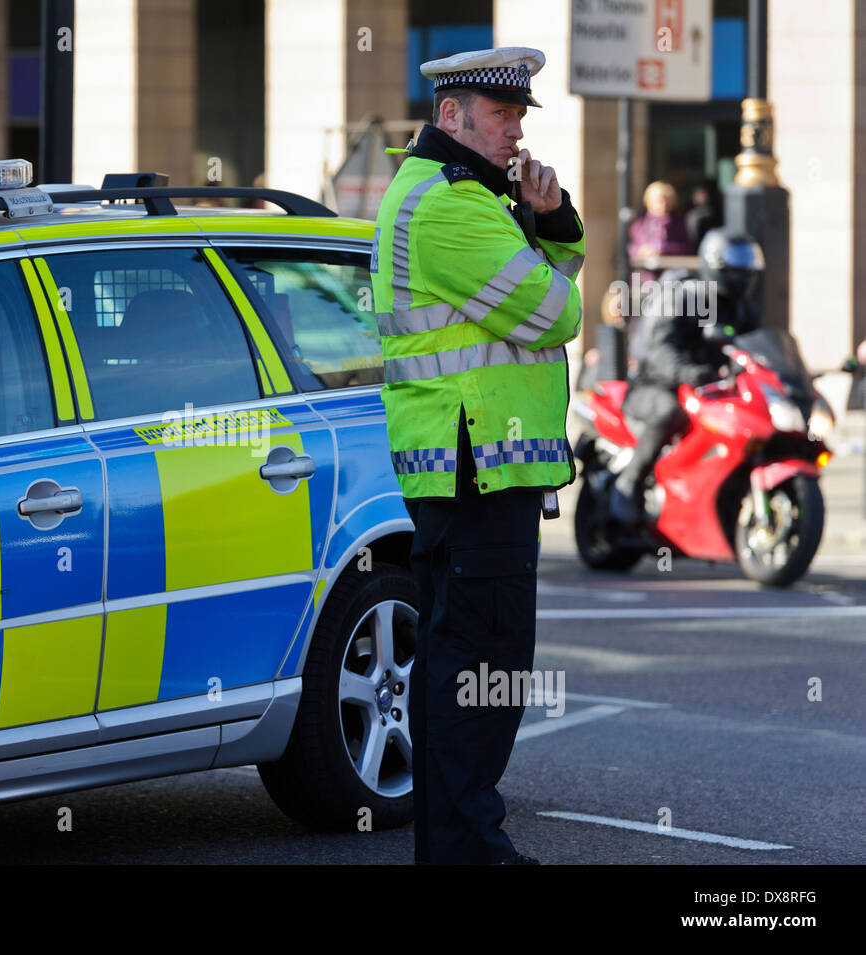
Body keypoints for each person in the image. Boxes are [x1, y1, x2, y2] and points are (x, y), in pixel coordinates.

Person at [371, 46, 584, 865]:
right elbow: (554, 312)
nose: (516, 134)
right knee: (482, 670)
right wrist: (546, 244)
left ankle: (454, 845)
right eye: (502, 116)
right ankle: (469, 849)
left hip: (473, 465)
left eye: (522, 117)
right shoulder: (452, 207)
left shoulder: (468, 196)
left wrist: (552, 221)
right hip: (475, 465)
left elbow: (546, 287)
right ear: (452, 116)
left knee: (464, 661)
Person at [609, 229, 765, 524]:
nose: (741, 278)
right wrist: (689, 372)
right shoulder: (685, 296)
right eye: (734, 270)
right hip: (657, 387)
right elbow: (660, 350)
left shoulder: (743, 309)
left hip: (708, 393)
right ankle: (628, 483)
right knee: (671, 413)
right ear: (715, 267)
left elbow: (758, 350)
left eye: (746, 272)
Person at [628, 181, 694, 261]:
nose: (663, 204)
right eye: (659, 201)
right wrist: (640, 251)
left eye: (666, 200)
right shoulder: (639, 225)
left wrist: (663, 249)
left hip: (670, 270)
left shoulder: (679, 223)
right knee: (636, 274)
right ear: (649, 201)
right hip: (642, 270)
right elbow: (628, 248)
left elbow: (687, 249)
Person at [685, 181, 723, 251]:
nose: (703, 196)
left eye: (705, 193)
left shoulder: (719, 213)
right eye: (700, 194)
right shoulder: (693, 215)